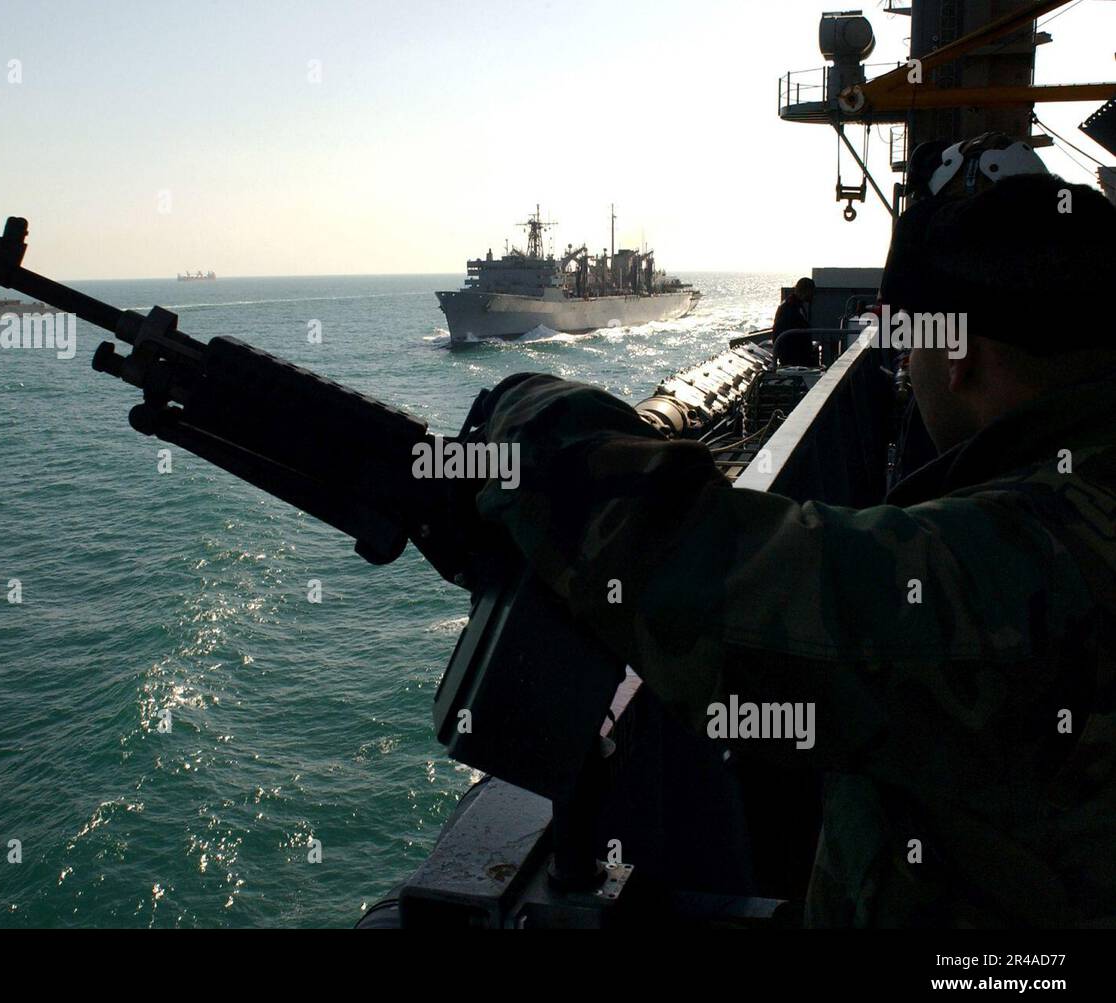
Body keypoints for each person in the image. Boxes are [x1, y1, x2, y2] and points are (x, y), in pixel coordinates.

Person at [472, 172, 1116, 927]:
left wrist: (526, 418)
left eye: (907, 347)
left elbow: (712, 582)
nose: (903, 372)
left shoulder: (1036, 556)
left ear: (960, 355)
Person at [771, 277, 816, 367]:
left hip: (795, 354)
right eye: (812, 291)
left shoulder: (795, 306)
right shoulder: (790, 308)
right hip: (793, 356)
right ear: (806, 291)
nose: (813, 295)